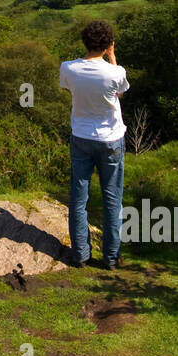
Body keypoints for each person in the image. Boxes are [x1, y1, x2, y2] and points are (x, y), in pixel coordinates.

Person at [58, 20, 130, 270]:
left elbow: (71, 89)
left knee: (79, 198)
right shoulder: (116, 72)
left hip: (81, 138)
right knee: (112, 199)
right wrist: (112, 57)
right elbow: (119, 93)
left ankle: (80, 255)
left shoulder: (68, 68)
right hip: (111, 139)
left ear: (84, 42)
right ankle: (111, 258)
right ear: (108, 44)